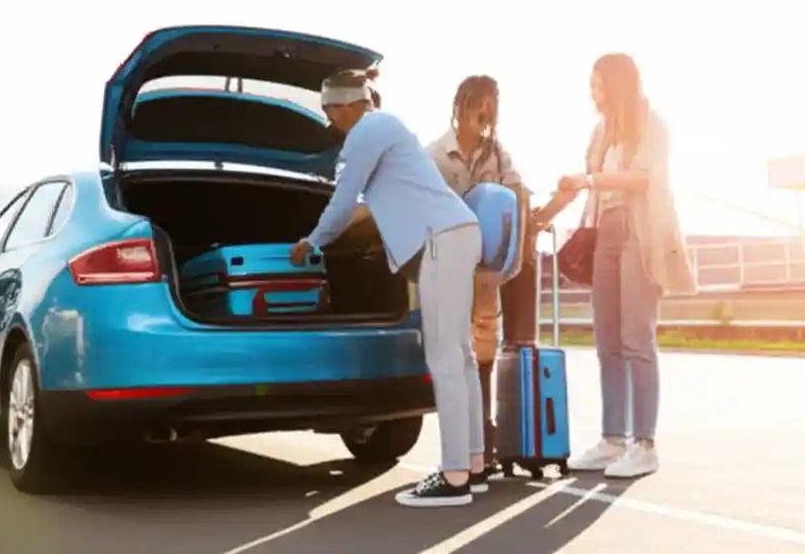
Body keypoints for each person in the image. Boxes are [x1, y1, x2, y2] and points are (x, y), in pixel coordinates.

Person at [290, 70, 487, 507]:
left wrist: (313, 241)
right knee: (461, 356)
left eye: (331, 115)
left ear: (341, 107)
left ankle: (454, 478)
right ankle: (473, 466)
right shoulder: (388, 130)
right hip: (456, 232)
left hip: (441, 238)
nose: (333, 125)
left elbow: (344, 201)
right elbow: (367, 208)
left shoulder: (367, 131)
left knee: (444, 358)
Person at [556, 53, 698, 478]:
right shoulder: (601, 131)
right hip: (606, 233)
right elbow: (591, 182)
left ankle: (644, 445)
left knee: (637, 338)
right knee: (608, 341)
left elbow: (644, 178)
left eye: (598, 86)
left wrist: (592, 180)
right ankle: (613, 439)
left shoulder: (651, 123)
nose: (593, 95)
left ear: (617, 85)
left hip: (640, 232)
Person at [426, 75, 574, 475]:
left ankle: (486, 444)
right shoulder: (436, 156)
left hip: (488, 270)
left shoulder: (498, 157)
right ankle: (467, 449)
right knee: (460, 355)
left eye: (491, 106)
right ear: (460, 106)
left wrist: (513, 258)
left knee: (484, 350)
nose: (484, 115)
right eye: (478, 105)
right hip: (454, 267)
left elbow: (518, 203)